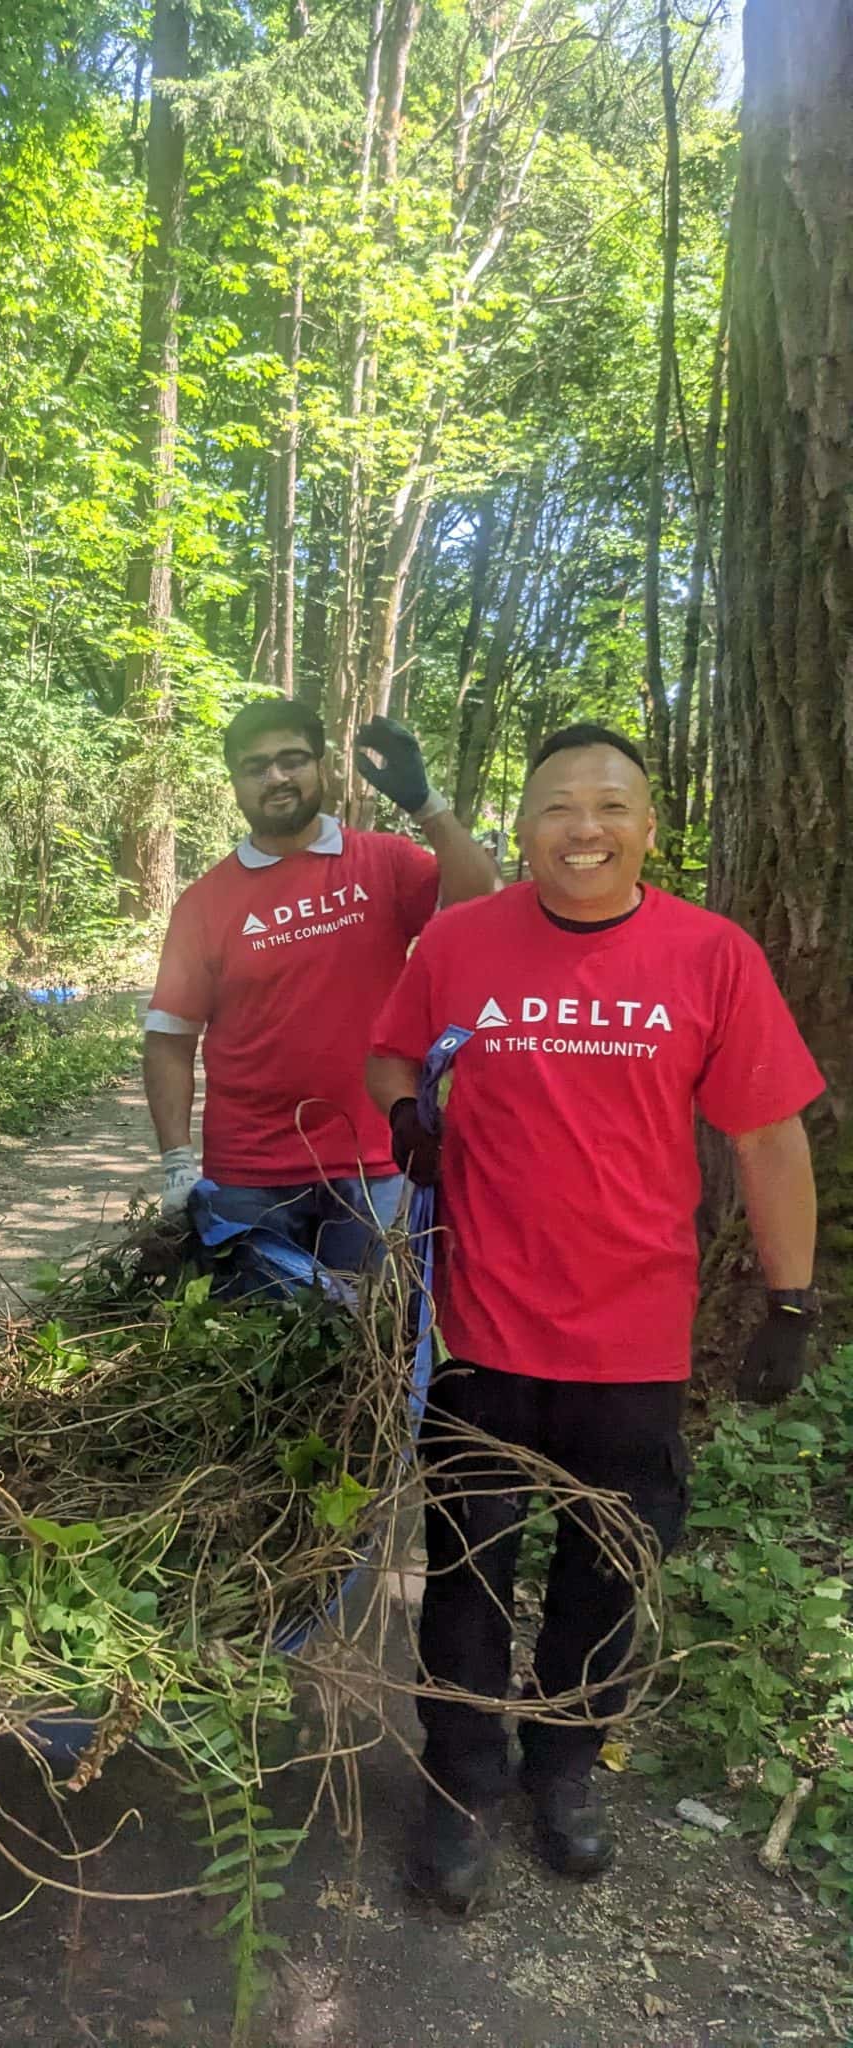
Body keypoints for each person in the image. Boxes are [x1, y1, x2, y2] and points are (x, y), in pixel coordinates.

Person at [366, 722, 822, 1915]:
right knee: (467, 1574)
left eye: (610, 805)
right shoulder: (462, 940)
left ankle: (564, 1770)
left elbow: (768, 1130)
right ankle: (461, 1782)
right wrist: (412, 1112)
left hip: (635, 1336)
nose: (584, 826)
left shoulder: (711, 954)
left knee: (606, 1572)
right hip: (481, 1326)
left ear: (648, 827)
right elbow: (389, 1057)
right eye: (558, 805)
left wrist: (791, 1294)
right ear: (521, 827)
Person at [144, 699, 499, 1272]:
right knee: (254, 1346)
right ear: (235, 781)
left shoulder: (382, 861)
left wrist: (425, 802)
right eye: (256, 766)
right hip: (249, 1174)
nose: (276, 776)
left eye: (292, 759)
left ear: (322, 767)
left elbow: (480, 901)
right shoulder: (205, 903)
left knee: (375, 1339)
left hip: (376, 1163)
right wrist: (178, 1163)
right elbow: (169, 1038)